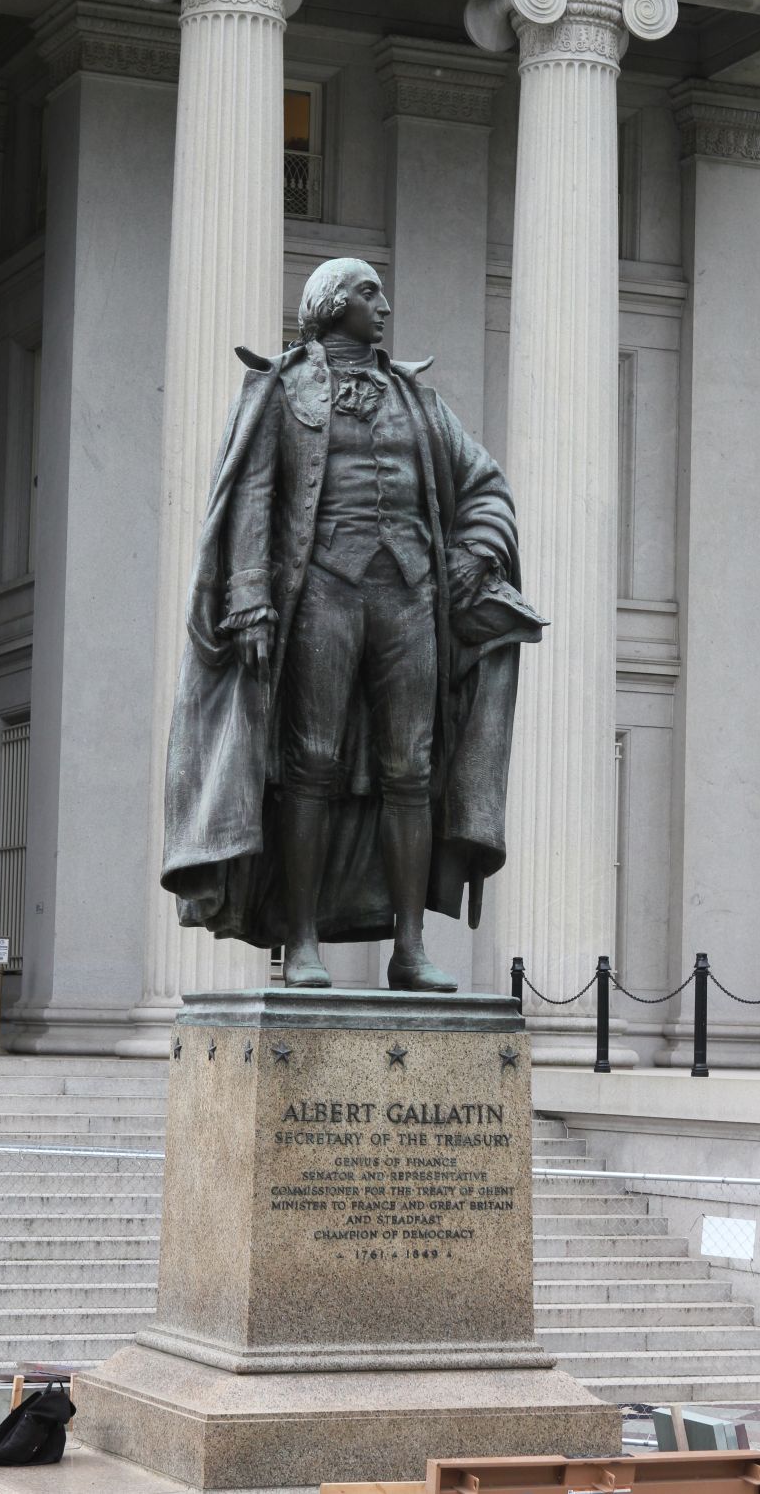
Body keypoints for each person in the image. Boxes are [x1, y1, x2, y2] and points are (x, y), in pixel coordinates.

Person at [162, 258, 544, 991]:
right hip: (322, 596)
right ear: (332, 303)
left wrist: (472, 556)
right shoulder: (281, 390)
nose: (386, 306)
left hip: (410, 599)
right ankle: (301, 943)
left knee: (413, 769)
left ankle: (410, 947)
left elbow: (485, 485)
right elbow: (252, 494)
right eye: (371, 293)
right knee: (311, 766)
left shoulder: (419, 400)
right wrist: (248, 597)